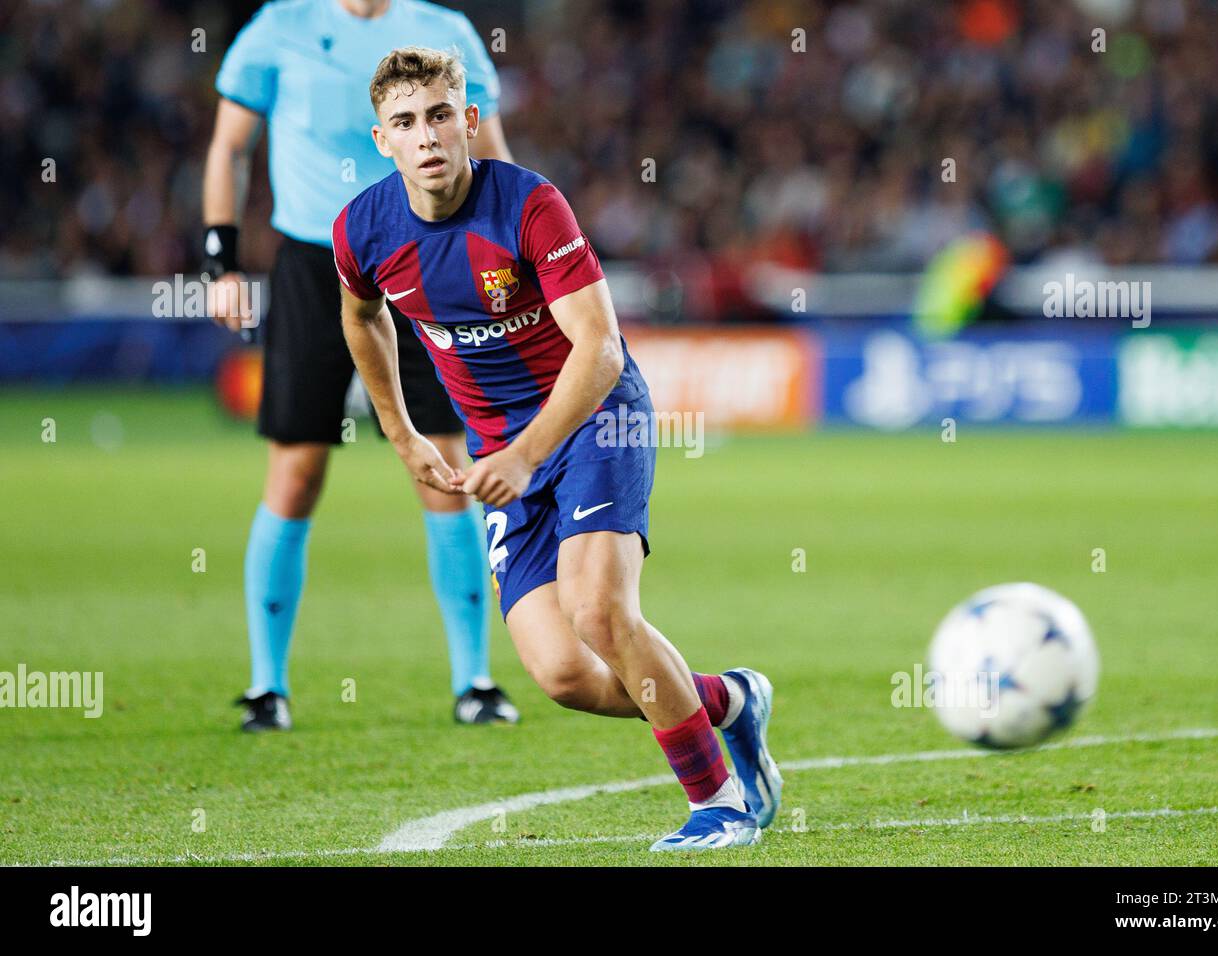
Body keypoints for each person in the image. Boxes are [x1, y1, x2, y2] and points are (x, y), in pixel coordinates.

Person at [333, 46, 783, 850]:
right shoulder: (362, 230)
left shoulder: (531, 207)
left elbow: (601, 349)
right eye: (405, 122)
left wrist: (524, 455)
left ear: (469, 121)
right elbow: (361, 316)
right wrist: (401, 434)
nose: (426, 135)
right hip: (506, 453)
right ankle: (727, 701)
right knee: (564, 675)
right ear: (382, 141)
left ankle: (720, 801)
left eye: (440, 115)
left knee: (598, 610)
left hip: (594, 419)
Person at [203, 0, 518, 731]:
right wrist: (220, 259)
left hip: (428, 252)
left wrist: (508, 254)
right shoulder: (279, 27)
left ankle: (474, 680)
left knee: (445, 464)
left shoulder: (448, 29)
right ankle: (266, 685)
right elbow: (228, 147)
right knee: (298, 469)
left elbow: (493, 153)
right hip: (312, 262)